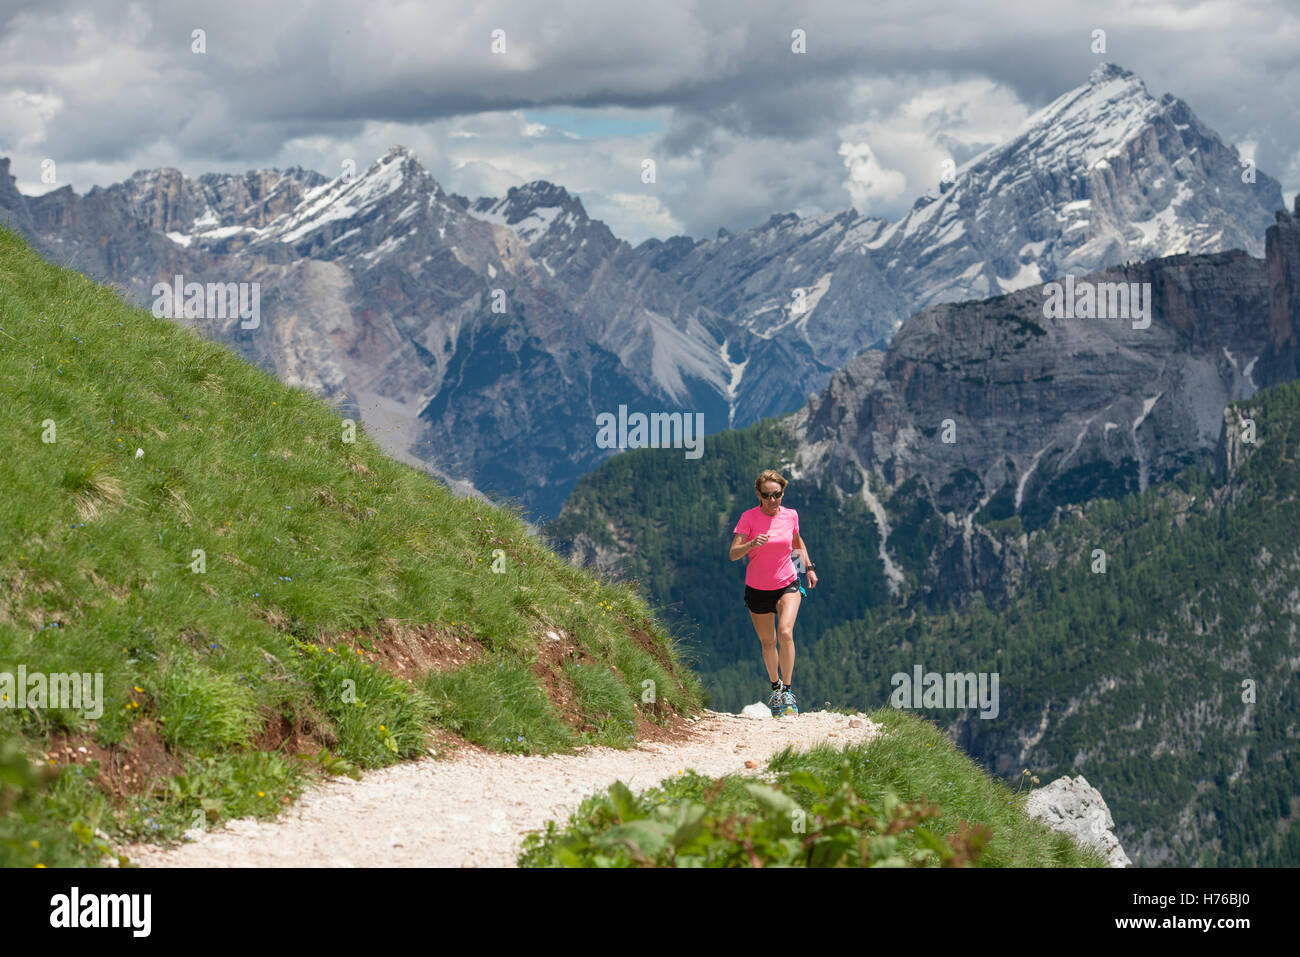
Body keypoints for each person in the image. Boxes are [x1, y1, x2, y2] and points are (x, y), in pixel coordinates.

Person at [728, 469, 817, 716]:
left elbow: (797, 542)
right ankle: (776, 689)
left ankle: (787, 693)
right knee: (768, 643)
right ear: (758, 494)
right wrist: (750, 544)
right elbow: (733, 554)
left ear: (782, 493)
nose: (771, 500)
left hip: (788, 582)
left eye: (776, 494)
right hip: (757, 589)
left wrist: (808, 568)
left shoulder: (791, 516)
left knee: (785, 632)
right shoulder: (748, 518)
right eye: (766, 495)